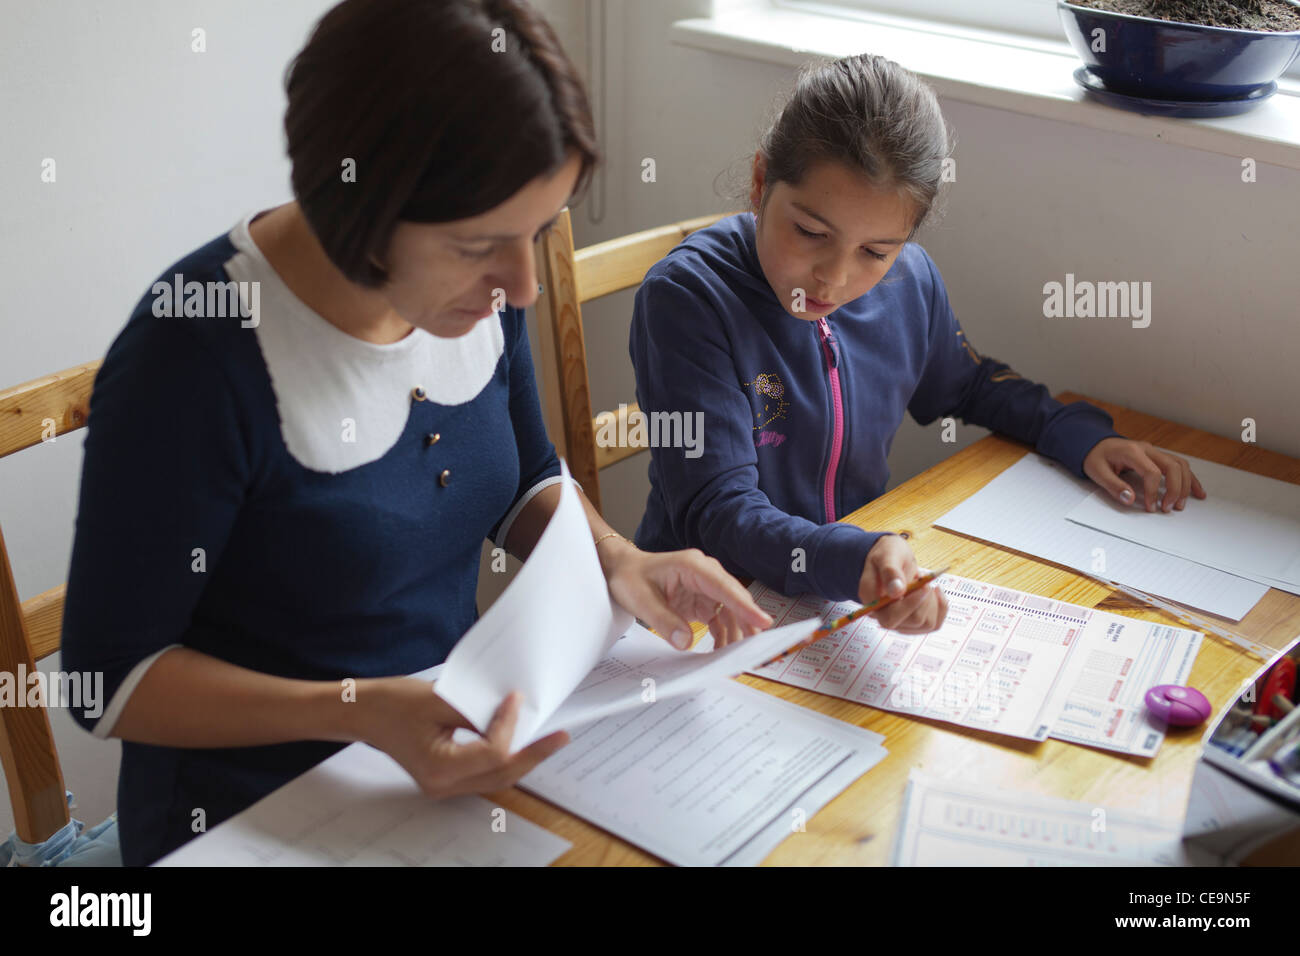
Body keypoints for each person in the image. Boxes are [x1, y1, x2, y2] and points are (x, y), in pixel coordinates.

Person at [60, 0, 770, 867]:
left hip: (443, 768)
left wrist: (620, 558)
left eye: (540, 233)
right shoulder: (197, 354)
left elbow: (523, 481)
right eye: (482, 246)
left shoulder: (477, 301)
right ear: (362, 207)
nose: (525, 287)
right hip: (252, 821)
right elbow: (112, 685)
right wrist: (356, 707)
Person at [629, 53, 1205, 636]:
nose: (833, 277)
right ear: (760, 184)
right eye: (809, 232)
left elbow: (970, 384)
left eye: (875, 252)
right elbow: (718, 513)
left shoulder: (911, 282)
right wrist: (853, 559)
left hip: (836, 608)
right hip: (705, 617)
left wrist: (1078, 436)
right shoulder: (688, 298)